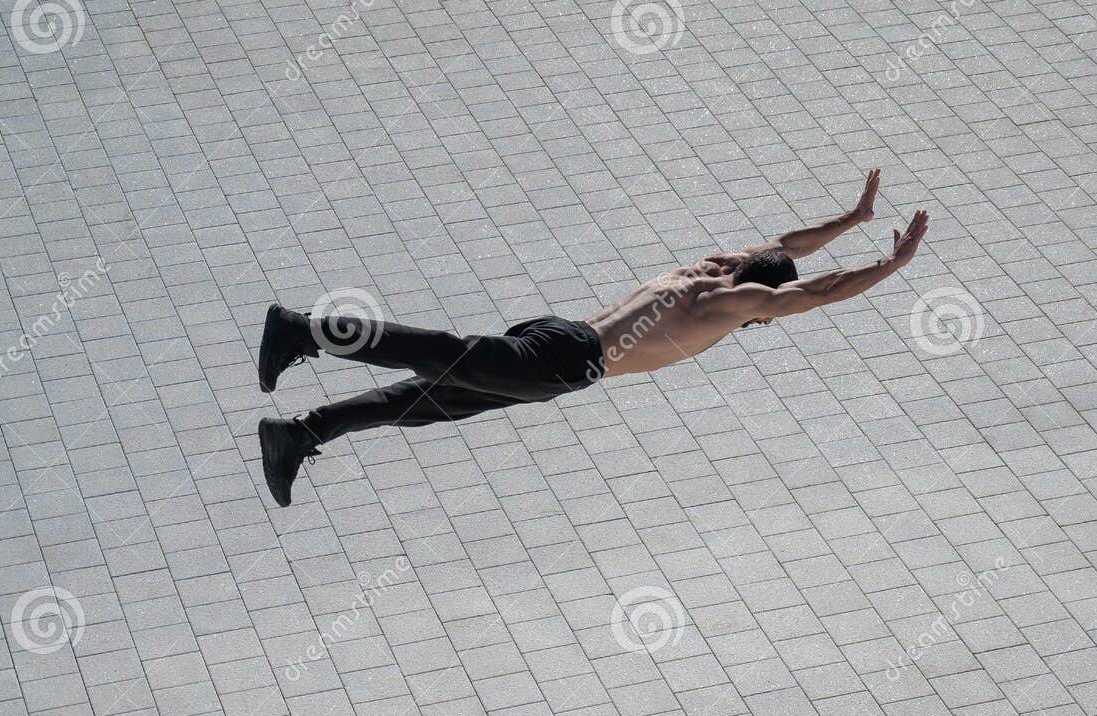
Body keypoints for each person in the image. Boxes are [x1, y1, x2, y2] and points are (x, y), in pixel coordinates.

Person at [256, 170, 929, 506]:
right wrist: (889, 265)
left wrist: (855, 216)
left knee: (439, 398)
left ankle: (305, 432)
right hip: (568, 362)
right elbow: (814, 290)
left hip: (563, 333)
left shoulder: (719, 264)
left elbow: (790, 248)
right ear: (761, 302)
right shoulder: (736, 300)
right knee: (447, 358)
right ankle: (305, 331)